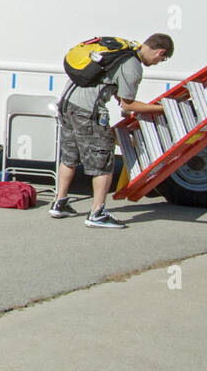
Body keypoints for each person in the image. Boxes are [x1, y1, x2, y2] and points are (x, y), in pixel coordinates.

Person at [50, 33, 175, 228]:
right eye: (162, 59)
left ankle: (59, 203)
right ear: (160, 52)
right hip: (87, 111)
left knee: (70, 155)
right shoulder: (133, 65)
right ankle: (97, 214)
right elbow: (129, 103)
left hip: (67, 105)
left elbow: (108, 84)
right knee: (103, 160)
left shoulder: (123, 50)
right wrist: (164, 109)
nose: (159, 62)